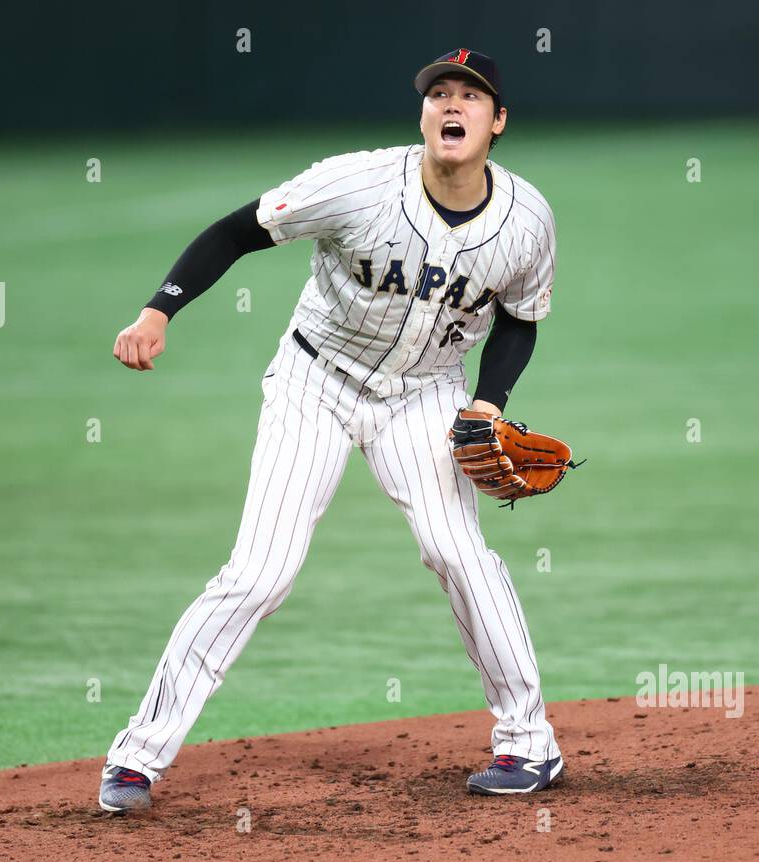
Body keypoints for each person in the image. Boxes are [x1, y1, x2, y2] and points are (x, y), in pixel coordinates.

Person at [100, 49, 559, 812]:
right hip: (316, 380)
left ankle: (530, 744)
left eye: (470, 97)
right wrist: (159, 310)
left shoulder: (526, 220)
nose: (452, 105)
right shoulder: (356, 184)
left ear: (497, 121)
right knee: (260, 571)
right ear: (424, 115)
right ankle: (137, 758)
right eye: (438, 94)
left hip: (426, 394)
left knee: (458, 551)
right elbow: (236, 231)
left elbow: (521, 319)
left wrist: (491, 401)